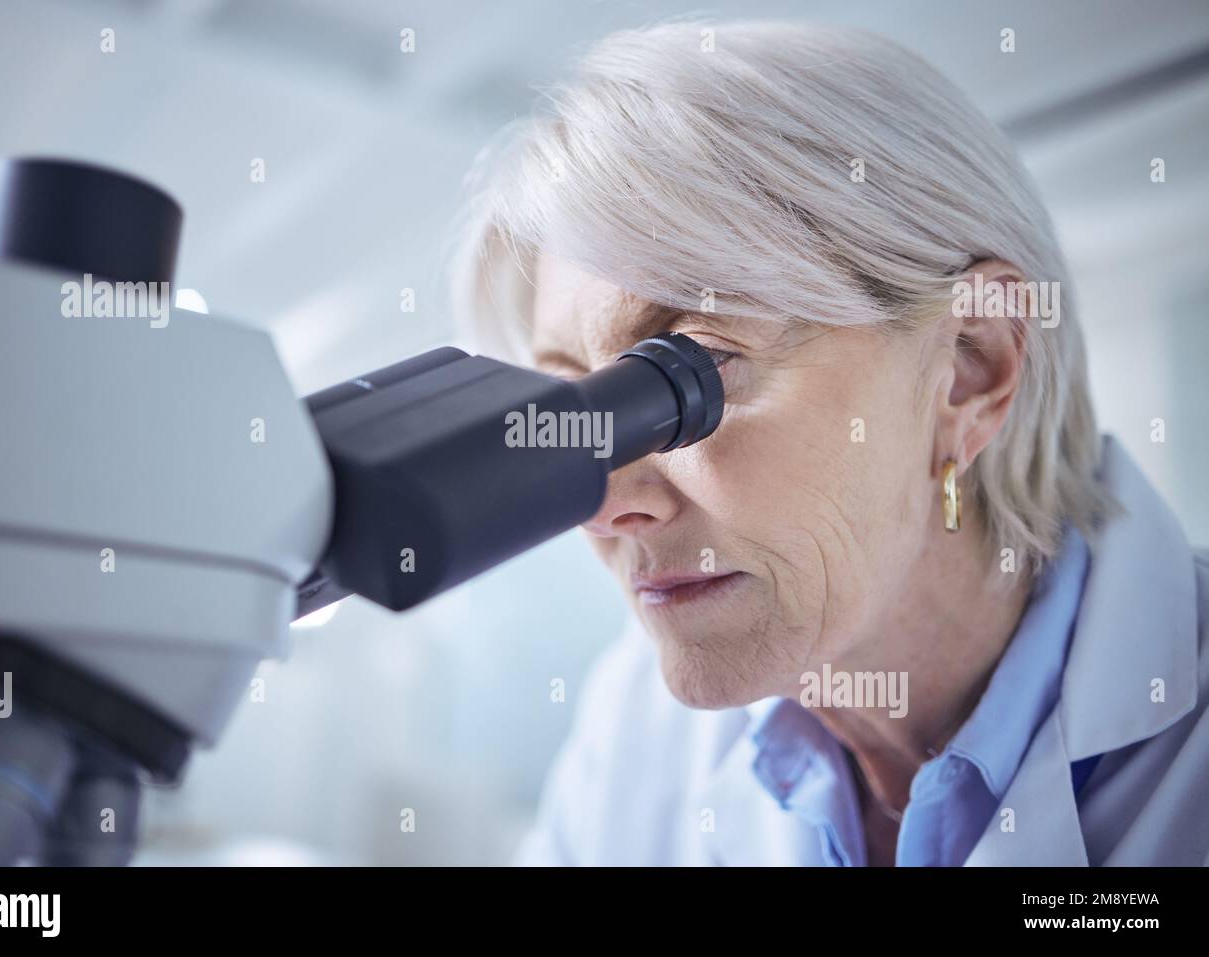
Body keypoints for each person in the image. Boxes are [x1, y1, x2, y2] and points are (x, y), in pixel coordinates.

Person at [452, 20, 1209, 865]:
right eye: (577, 405)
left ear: (969, 366)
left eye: (681, 378)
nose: (602, 503)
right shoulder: (633, 731)